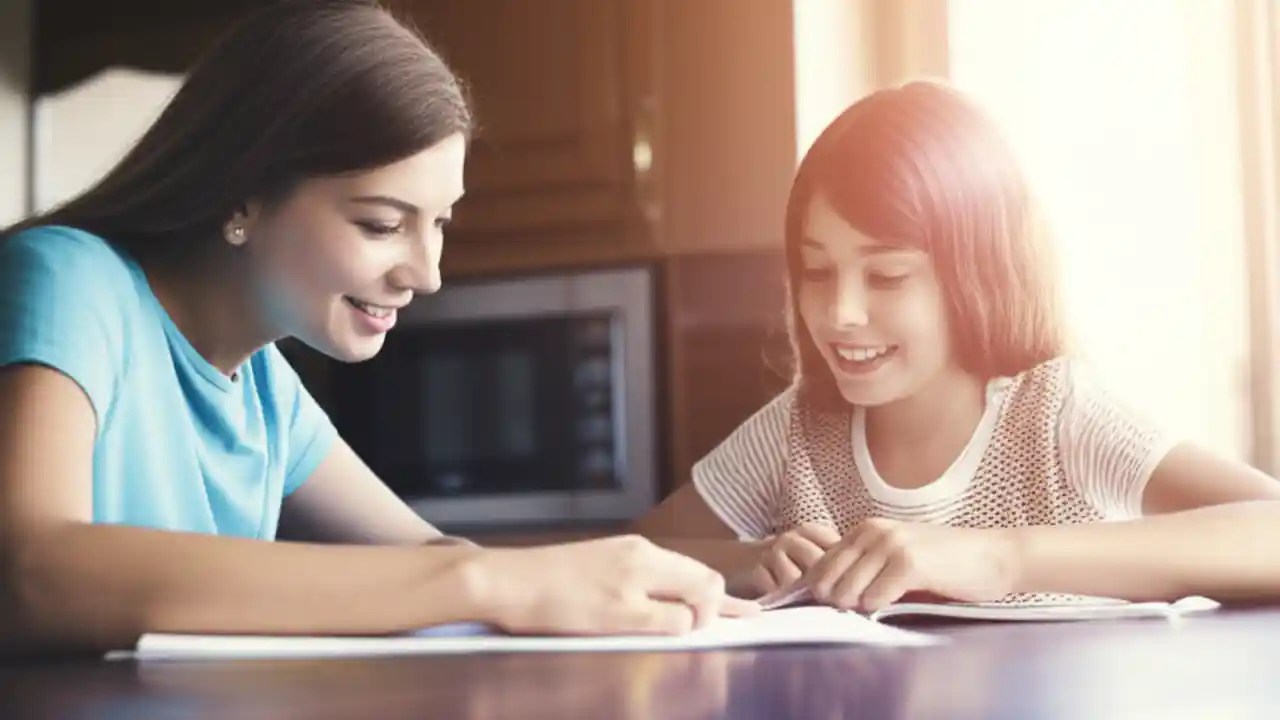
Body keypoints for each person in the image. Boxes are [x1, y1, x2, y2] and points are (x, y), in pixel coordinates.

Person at [0, 0, 752, 655]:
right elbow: (33, 571)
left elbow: (431, 554)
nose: (425, 274)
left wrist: (732, 563)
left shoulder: (264, 387)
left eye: (440, 225)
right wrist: (479, 581)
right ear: (241, 197)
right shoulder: (68, 278)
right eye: (383, 224)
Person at [637, 80, 1280, 612]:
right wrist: (743, 559)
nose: (841, 312)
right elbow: (630, 554)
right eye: (817, 270)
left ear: (978, 274)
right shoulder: (798, 432)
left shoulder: (1057, 416)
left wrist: (1002, 557)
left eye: (887, 275)